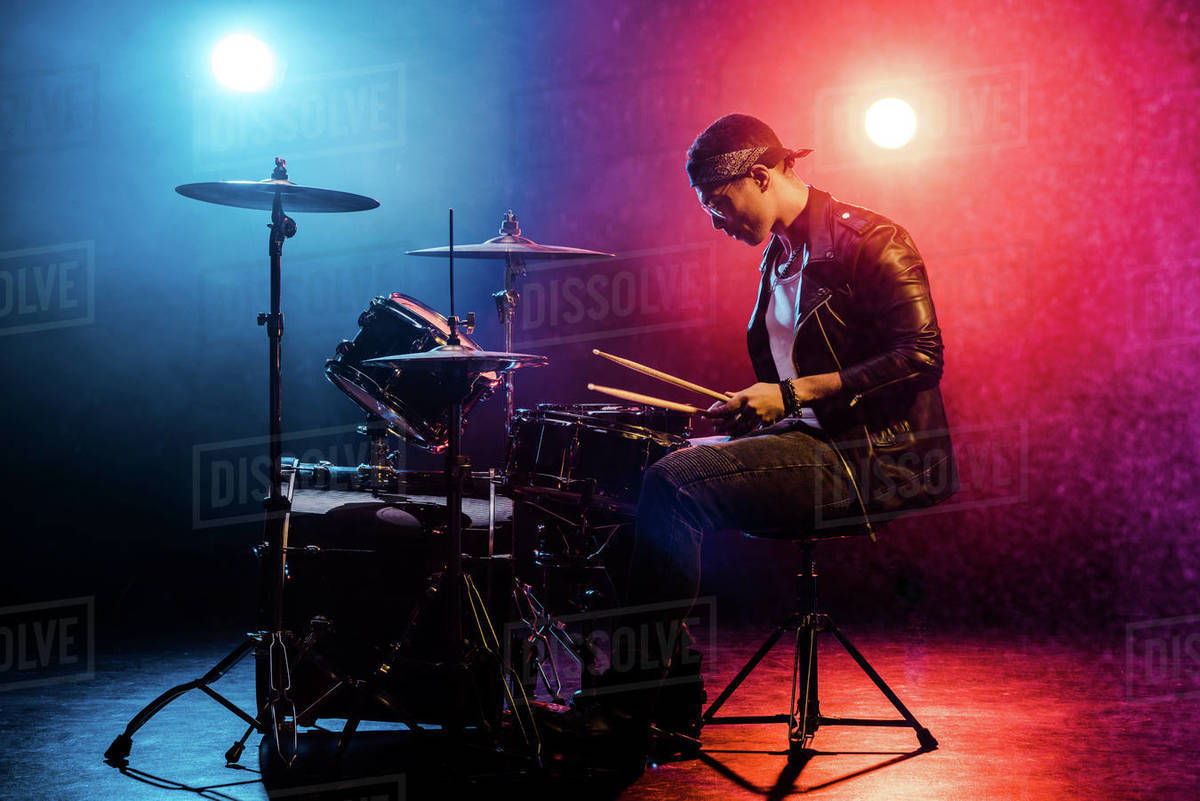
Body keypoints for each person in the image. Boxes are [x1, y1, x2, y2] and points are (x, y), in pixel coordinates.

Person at [541, 113, 958, 770]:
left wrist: (791, 395)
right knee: (644, 480)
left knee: (674, 484)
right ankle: (670, 702)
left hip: (872, 461)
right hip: (810, 443)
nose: (714, 221)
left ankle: (625, 711)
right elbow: (795, 378)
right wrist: (758, 411)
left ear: (761, 176)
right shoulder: (778, 256)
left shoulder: (874, 240)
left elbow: (922, 358)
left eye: (717, 202)